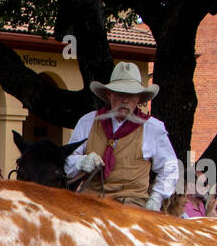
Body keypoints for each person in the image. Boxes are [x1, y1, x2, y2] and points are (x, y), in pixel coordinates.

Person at [64, 62, 178, 210]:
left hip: (130, 207)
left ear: (138, 99)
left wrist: (156, 197)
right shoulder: (88, 121)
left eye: (131, 96)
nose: (125, 100)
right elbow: (66, 162)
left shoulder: (152, 128)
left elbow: (169, 167)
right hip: (89, 203)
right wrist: (80, 161)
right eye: (120, 94)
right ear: (109, 95)